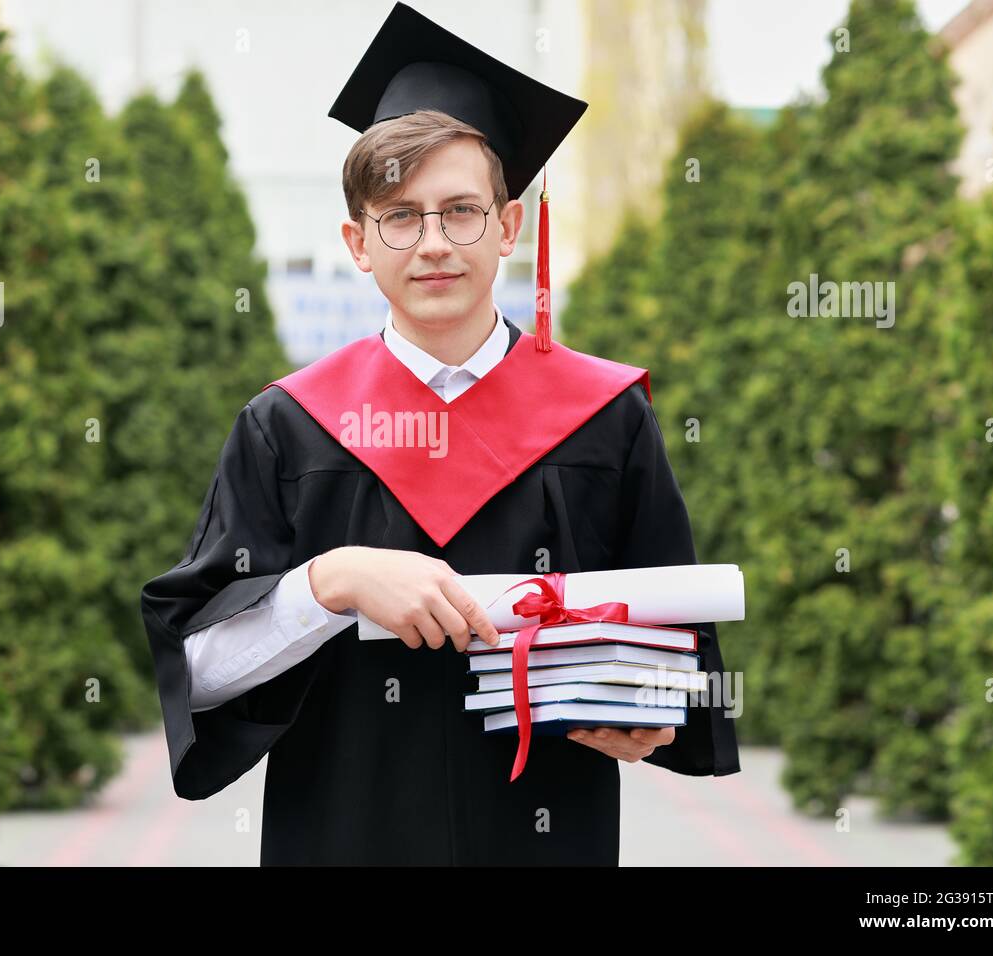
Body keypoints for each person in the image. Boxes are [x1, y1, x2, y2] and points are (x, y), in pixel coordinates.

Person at [141, 1, 740, 865]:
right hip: (342, 838)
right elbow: (197, 671)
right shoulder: (287, 428)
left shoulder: (606, 418)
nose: (433, 244)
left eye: (461, 211)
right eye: (400, 215)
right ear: (358, 241)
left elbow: (684, 651)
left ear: (508, 227)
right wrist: (330, 582)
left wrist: (650, 706)